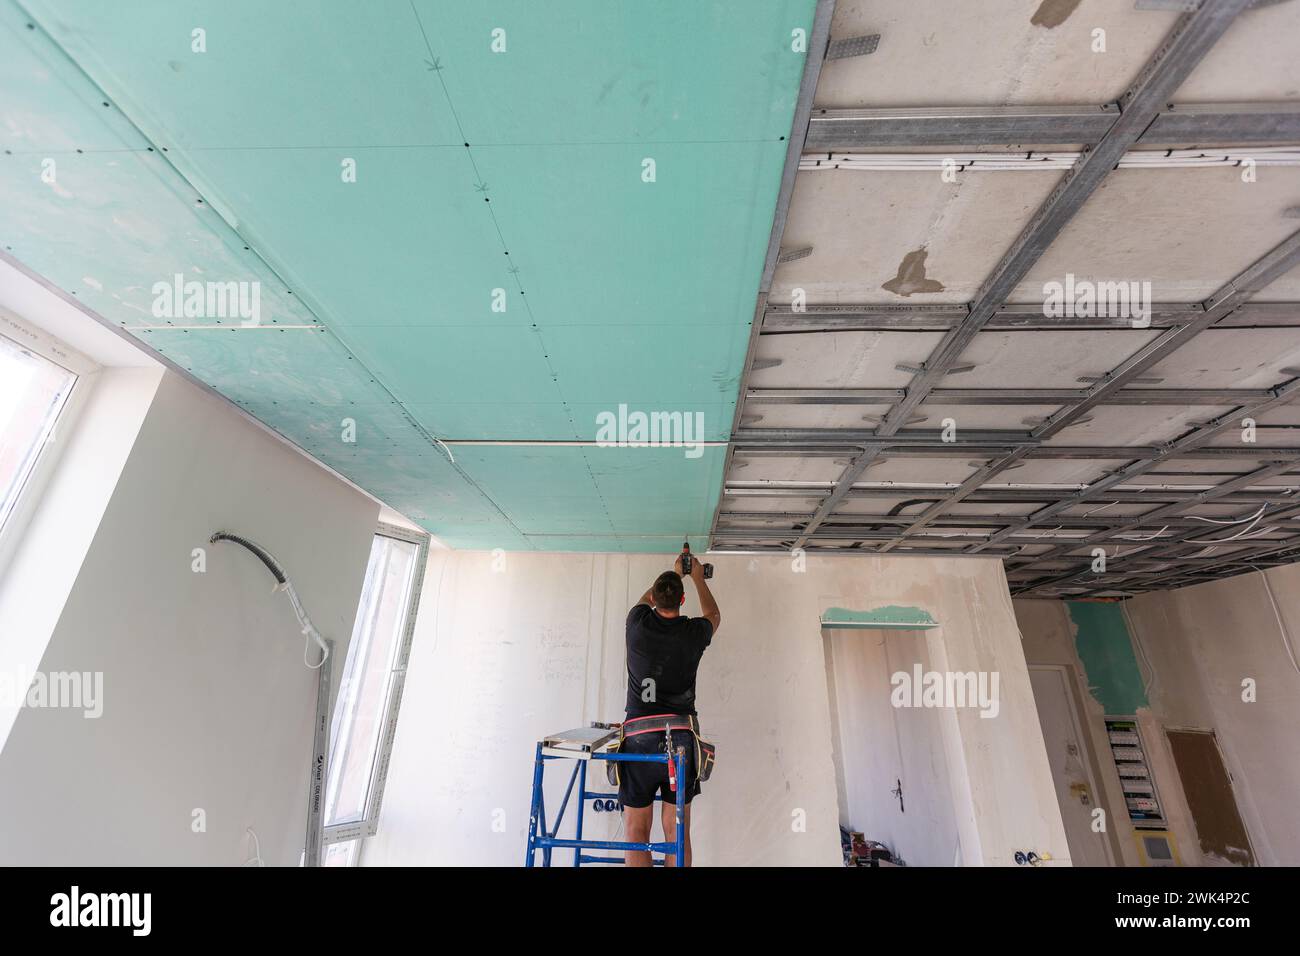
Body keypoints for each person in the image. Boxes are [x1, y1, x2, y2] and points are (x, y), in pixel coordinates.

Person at [619, 553, 721, 866]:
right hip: (679, 741)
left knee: (636, 831)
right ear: (683, 599)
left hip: (638, 739)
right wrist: (697, 576)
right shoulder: (693, 633)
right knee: (677, 831)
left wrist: (673, 576)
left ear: (652, 597)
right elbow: (714, 615)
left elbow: (646, 599)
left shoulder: (636, 625)